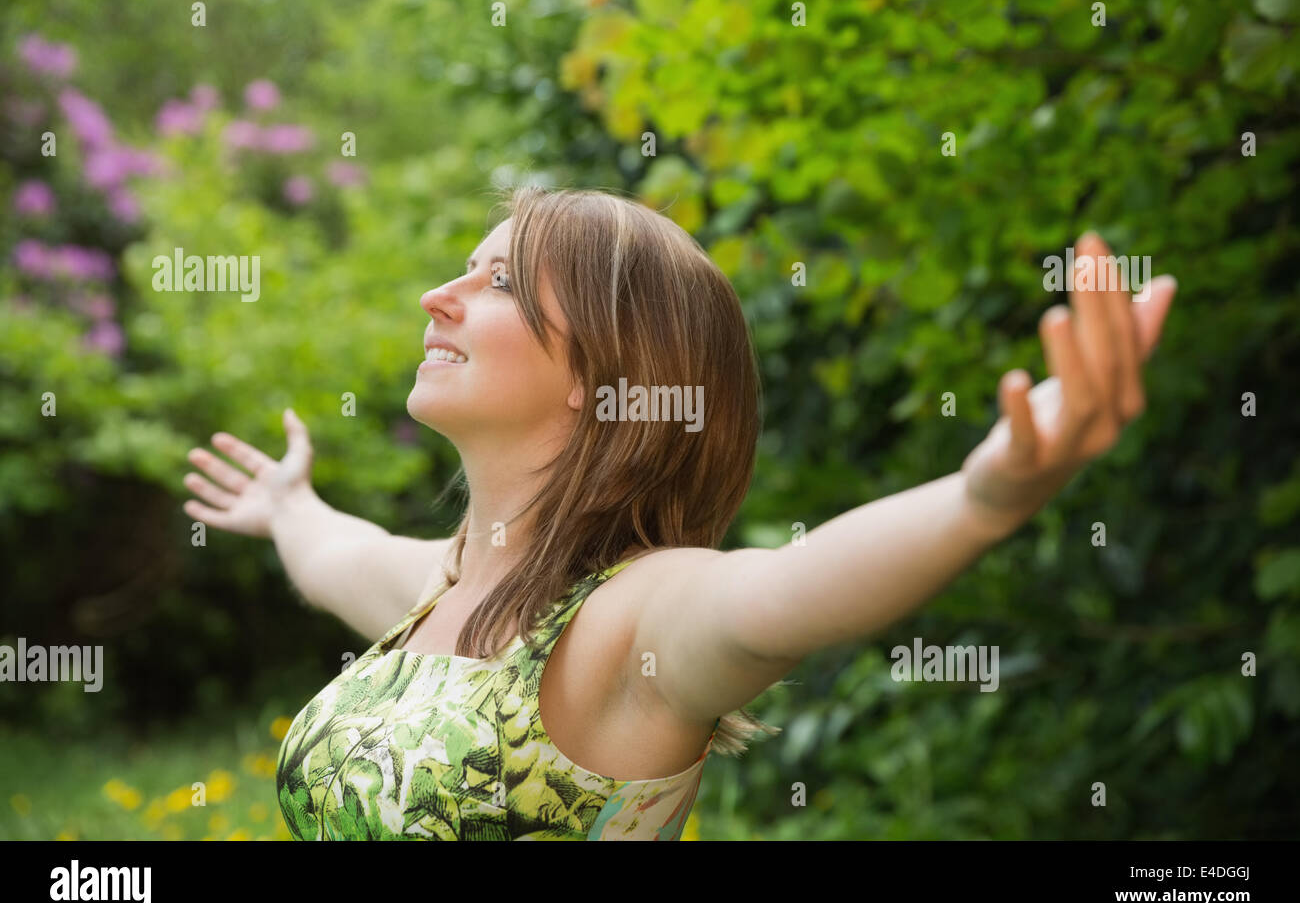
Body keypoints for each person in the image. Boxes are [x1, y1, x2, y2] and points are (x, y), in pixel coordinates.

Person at [181, 186, 1176, 840]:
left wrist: (982, 496)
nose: (439, 295)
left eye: (498, 282)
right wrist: (286, 503)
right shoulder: (439, 582)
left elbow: (792, 589)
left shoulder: (632, 620)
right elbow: (333, 551)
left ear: (603, 374)